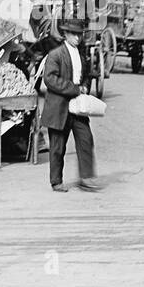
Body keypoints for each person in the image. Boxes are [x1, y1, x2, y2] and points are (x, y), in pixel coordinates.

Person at [39, 16, 98, 192]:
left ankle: (86, 178)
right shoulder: (56, 54)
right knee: (57, 146)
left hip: (78, 108)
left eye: (80, 34)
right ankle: (56, 181)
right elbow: (50, 79)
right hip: (59, 107)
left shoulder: (81, 56)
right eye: (74, 34)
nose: (77, 38)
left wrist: (85, 86)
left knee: (86, 140)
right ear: (66, 34)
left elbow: (86, 76)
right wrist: (75, 89)